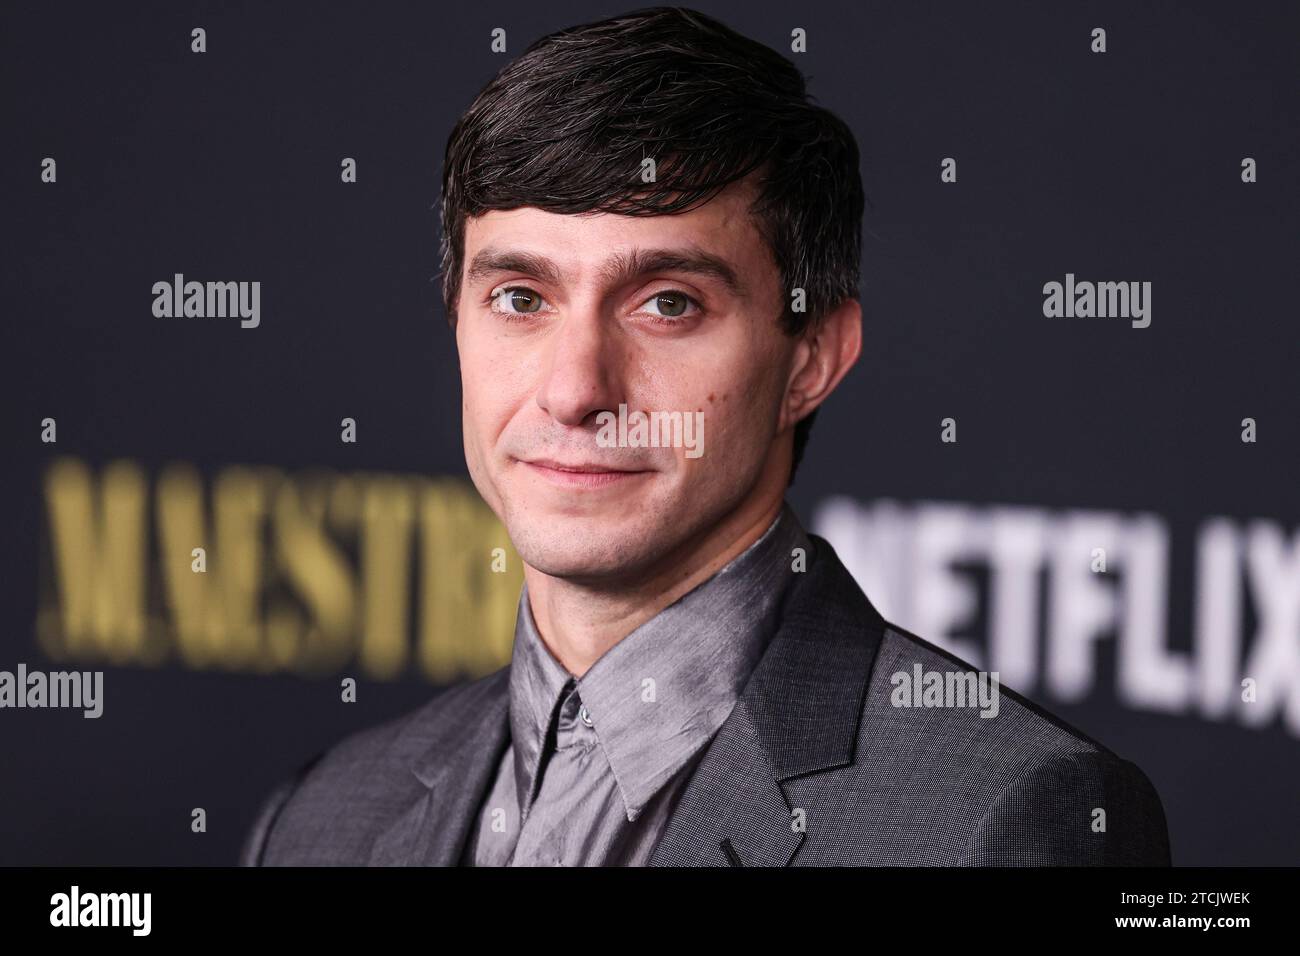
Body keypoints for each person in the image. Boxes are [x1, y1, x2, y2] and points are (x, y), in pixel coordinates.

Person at [241, 6, 1170, 867]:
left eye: (667, 303)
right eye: (520, 299)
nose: (574, 391)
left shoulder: (1009, 817)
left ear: (810, 357)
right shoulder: (322, 819)